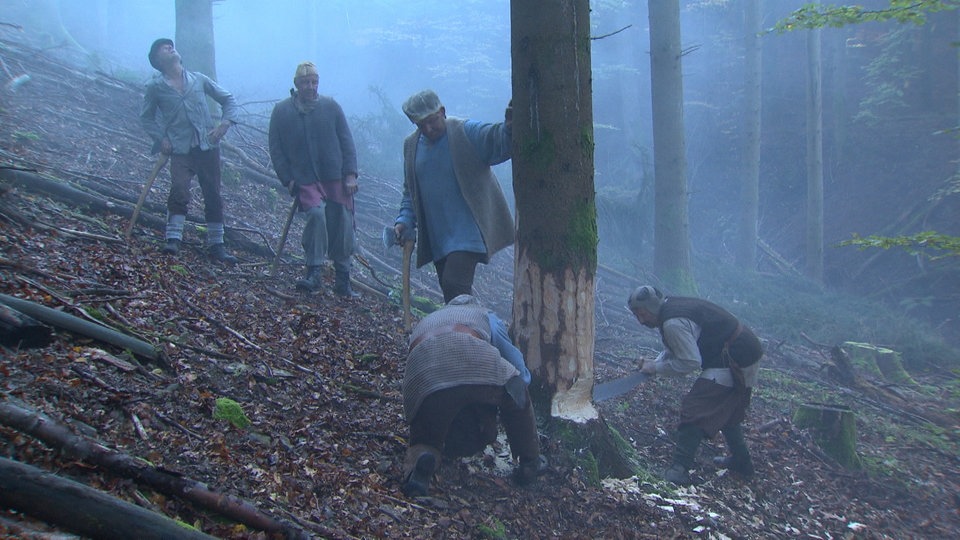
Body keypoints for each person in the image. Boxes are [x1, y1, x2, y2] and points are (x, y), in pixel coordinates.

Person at [400, 294, 545, 497]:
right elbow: (518, 369)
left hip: (425, 376)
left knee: (425, 437)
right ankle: (530, 463)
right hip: (474, 357)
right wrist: (515, 392)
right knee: (516, 390)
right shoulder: (486, 315)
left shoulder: (428, 319)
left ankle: (420, 465)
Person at [628, 285, 763, 485]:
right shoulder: (670, 308)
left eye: (643, 314)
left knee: (695, 408)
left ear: (653, 308)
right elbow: (677, 347)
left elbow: (690, 362)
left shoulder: (673, 322)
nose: (641, 321)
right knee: (727, 409)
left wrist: (656, 368)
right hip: (741, 348)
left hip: (736, 357)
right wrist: (654, 364)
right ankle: (742, 462)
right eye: (637, 315)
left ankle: (679, 470)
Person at [392, 90, 514, 303]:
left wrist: (510, 127)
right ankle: (467, 331)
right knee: (452, 296)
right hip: (439, 236)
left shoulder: (464, 132)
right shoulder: (411, 146)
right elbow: (410, 192)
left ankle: (466, 333)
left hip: (468, 231)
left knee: (454, 285)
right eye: (421, 125)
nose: (428, 129)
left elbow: (496, 140)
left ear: (442, 111)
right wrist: (403, 220)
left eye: (432, 121)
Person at [139, 38, 238, 263]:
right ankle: (173, 239)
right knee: (179, 189)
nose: (170, 47)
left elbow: (228, 99)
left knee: (212, 193)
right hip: (180, 149)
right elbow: (146, 118)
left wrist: (224, 124)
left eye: (170, 45)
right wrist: (161, 138)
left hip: (207, 146)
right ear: (157, 60)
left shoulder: (198, 80)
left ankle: (217, 245)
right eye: (163, 48)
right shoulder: (155, 87)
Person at [268, 62, 360, 297]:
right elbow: (276, 149)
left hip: (335, 175)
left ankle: (342, 278)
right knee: (317, 216)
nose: (310, 87)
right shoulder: (282, 111)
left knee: (342, 220)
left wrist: (350, 174)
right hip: (304, 178)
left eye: (314, 82)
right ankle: (314, 271)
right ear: (296, 84)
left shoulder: (331, 106)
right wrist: (287, 179)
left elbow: (346, 141)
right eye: (306, 83)